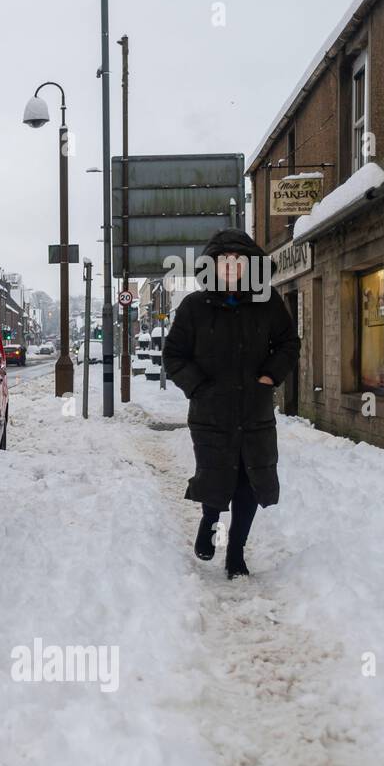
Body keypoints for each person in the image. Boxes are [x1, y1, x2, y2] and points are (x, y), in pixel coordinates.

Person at [163, 229, 300, 579]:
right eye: (224, 261)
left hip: (254, 410)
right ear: (212, 265)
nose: (230, 267)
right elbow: (174, 355)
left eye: (238, 261)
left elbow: (288, 344)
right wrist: (199, 387)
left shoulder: (267, 302)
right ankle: (210, 519)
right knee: (216, 474)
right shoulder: (195, 307)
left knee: (249, 480)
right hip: (211, 412)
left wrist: (270, 376)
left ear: (249, 265)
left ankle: (236, 553)